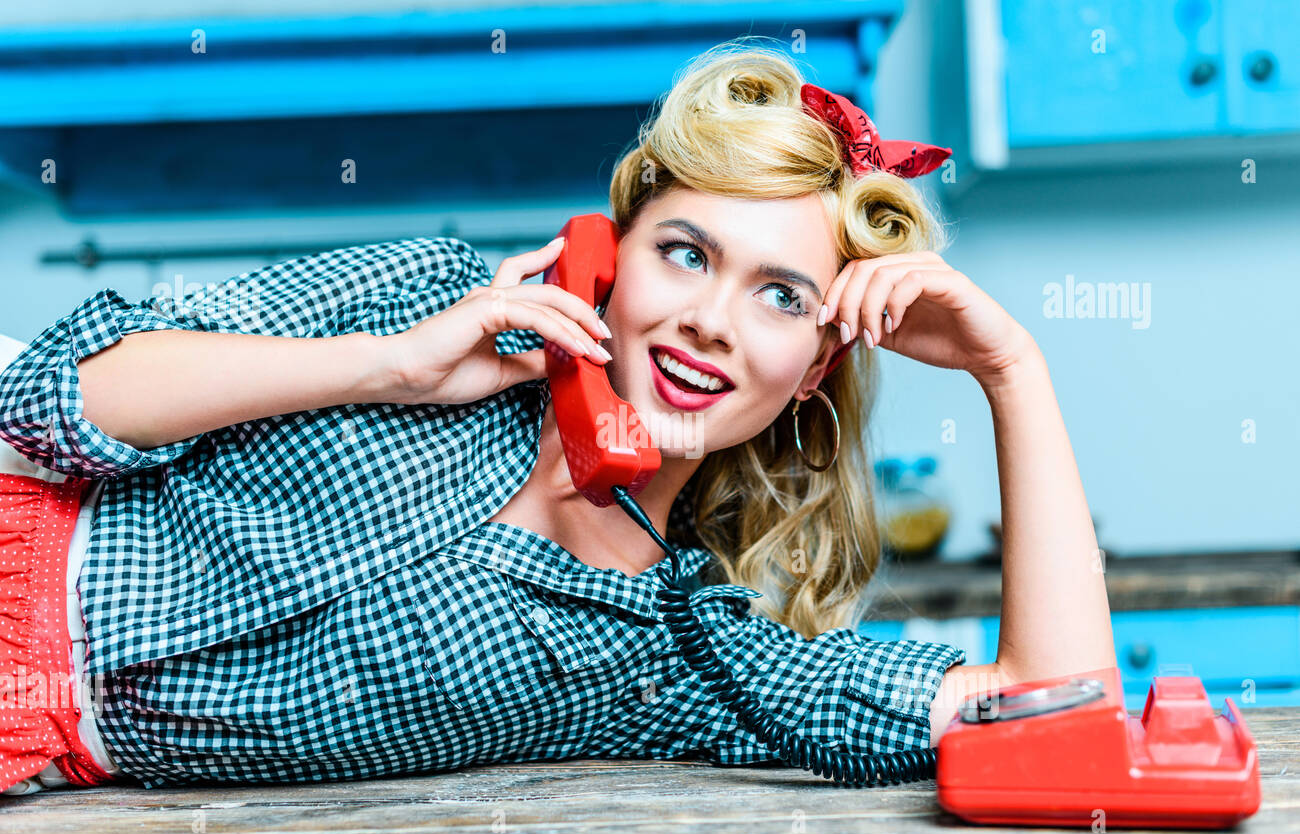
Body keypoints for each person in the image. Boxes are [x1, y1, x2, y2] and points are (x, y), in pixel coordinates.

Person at [0, 41, 1115, 795]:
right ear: (608, 263)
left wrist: (1012, 373)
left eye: (781, 296)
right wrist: (390, 368)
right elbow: (50, 399)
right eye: (684, 254)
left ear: (818, 363)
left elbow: (1052, 721)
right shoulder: (422, 296)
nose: (709, 322)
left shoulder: (684, 657)